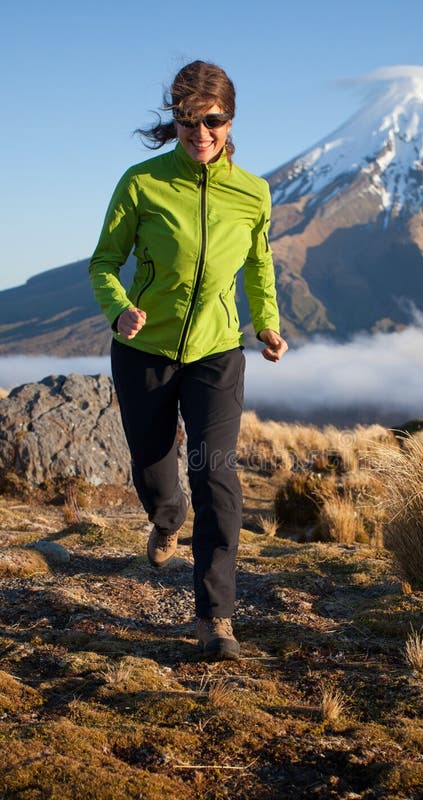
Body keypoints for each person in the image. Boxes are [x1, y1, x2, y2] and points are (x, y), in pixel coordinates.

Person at [89, 60, 287, 661]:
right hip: (143, 350)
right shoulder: (141, 183)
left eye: (213, 120)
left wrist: (268, 323)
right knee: (155, 470)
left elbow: (259, 263)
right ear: (173, 119)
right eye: (188, 121)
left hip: (217, 352)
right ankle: (167, 515)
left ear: (230, 120)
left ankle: (215, 617)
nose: (201, 132)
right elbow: (103, 262)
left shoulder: (253, 192)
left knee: (217, 475)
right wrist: (119, 309)